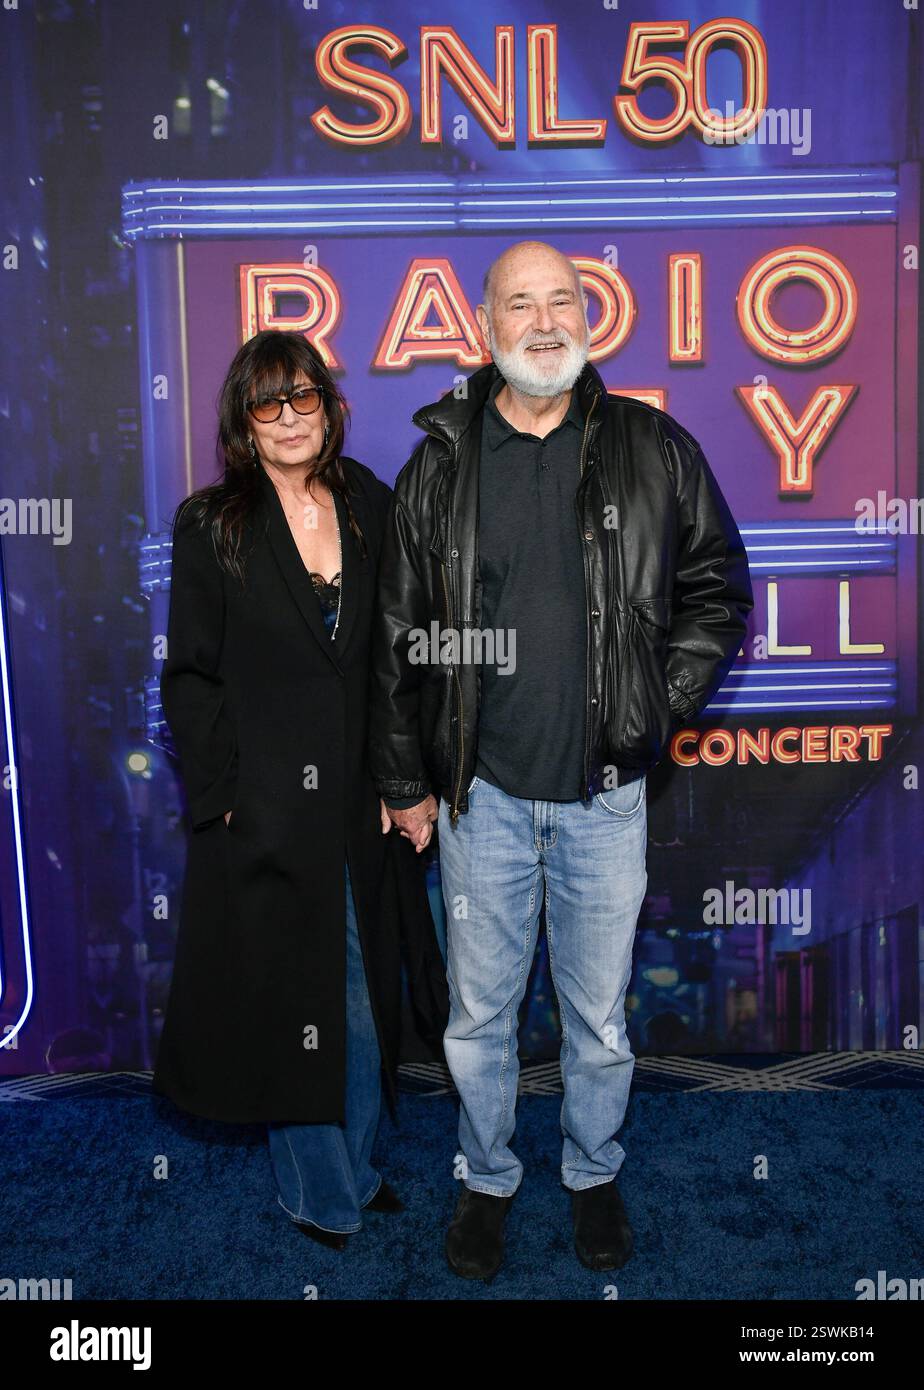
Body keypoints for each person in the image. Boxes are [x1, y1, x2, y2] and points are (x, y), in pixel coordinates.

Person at [369, 240, 753, 1280]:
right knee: (478, 1020)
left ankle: (592, 1172)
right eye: (520, 304)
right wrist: (406, 781)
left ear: (592, 315)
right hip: (479, 800)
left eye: (563, 300)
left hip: (605, 800)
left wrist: (653, 704)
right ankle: (486, 1179)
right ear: (484, 329)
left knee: (598, 1018)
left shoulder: (652, 447)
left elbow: (720, 590)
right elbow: (402, 631)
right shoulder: (442, 460)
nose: (544, 322)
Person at [153, 328, 444, 1249]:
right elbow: (189, 676)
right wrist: (225, 793)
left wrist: (409, 780)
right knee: (294, 1011)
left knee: (362, 1008)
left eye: (302, 397)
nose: (287, 418)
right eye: (266, 403)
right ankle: (319, 1192)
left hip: (359, 806)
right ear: (245, 420)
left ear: (329, 402)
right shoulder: (213, 525)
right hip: (266, 815)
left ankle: (353, 1166)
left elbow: (401, 655)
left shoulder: (369, 502)